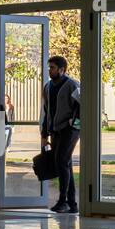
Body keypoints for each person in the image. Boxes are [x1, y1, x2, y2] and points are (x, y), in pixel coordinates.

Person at [40, 55, 80, 213]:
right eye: (49, 67)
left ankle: (62, 201)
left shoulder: (73, 85)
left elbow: (83, 107)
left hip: (70, 130)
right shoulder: (47, 87)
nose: (49, 70)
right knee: (65, 164)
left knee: (61, 161)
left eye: (52, 67)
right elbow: (46, 112)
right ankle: (72, 204)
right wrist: (44, 135)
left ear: (62, 70)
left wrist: (75, 124)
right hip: (55, 131)